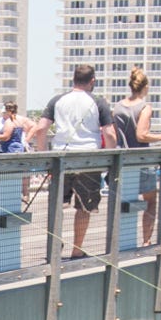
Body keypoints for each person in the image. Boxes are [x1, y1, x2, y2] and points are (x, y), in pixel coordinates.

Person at [37, 63, 109, 259]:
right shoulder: (98, 102)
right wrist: (110, 159)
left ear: (73, 79)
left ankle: (55, 246)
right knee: (85, 207)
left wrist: (44, 157)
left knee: (58, 204)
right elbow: (109, 133)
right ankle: (77, 249)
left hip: (61, 158)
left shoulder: (57, 100)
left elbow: (41, 129)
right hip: (89, 158)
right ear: (92, 81)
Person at [107, 66, 156, 250]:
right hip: (141, 159)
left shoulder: (118, 106)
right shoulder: (145, 107)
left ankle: (120, 242)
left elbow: (112, 132)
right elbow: (142, 135)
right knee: (150, 201)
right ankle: (146, 240)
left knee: (123, 201)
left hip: (122, 160)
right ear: (145, 87)